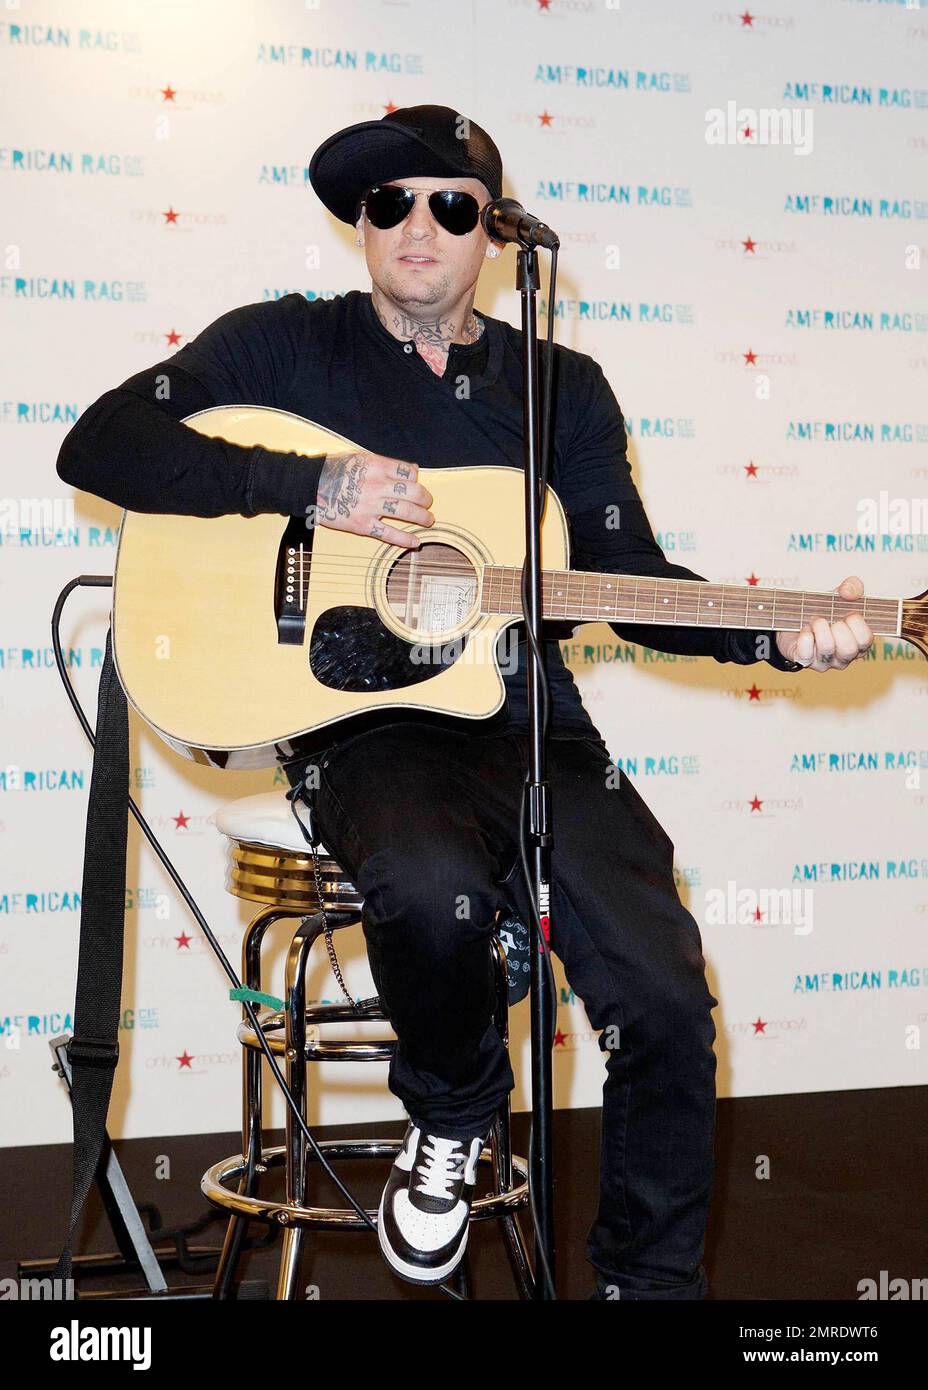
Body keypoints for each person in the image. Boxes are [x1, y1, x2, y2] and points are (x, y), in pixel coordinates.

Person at [56, 105, 873, 1297]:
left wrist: (788, 638)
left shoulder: (561, 387)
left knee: (661, 996)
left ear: (491, 228)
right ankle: (451, 1116)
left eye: (449, 202)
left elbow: (628, 583)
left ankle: (650, 1285)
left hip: (530, 717)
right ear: (361, 226)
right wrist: (308, 482)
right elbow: (99, 444)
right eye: (388, 203)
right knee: (428, 884)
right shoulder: (285, 348)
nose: (416, 224)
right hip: (357, 721)